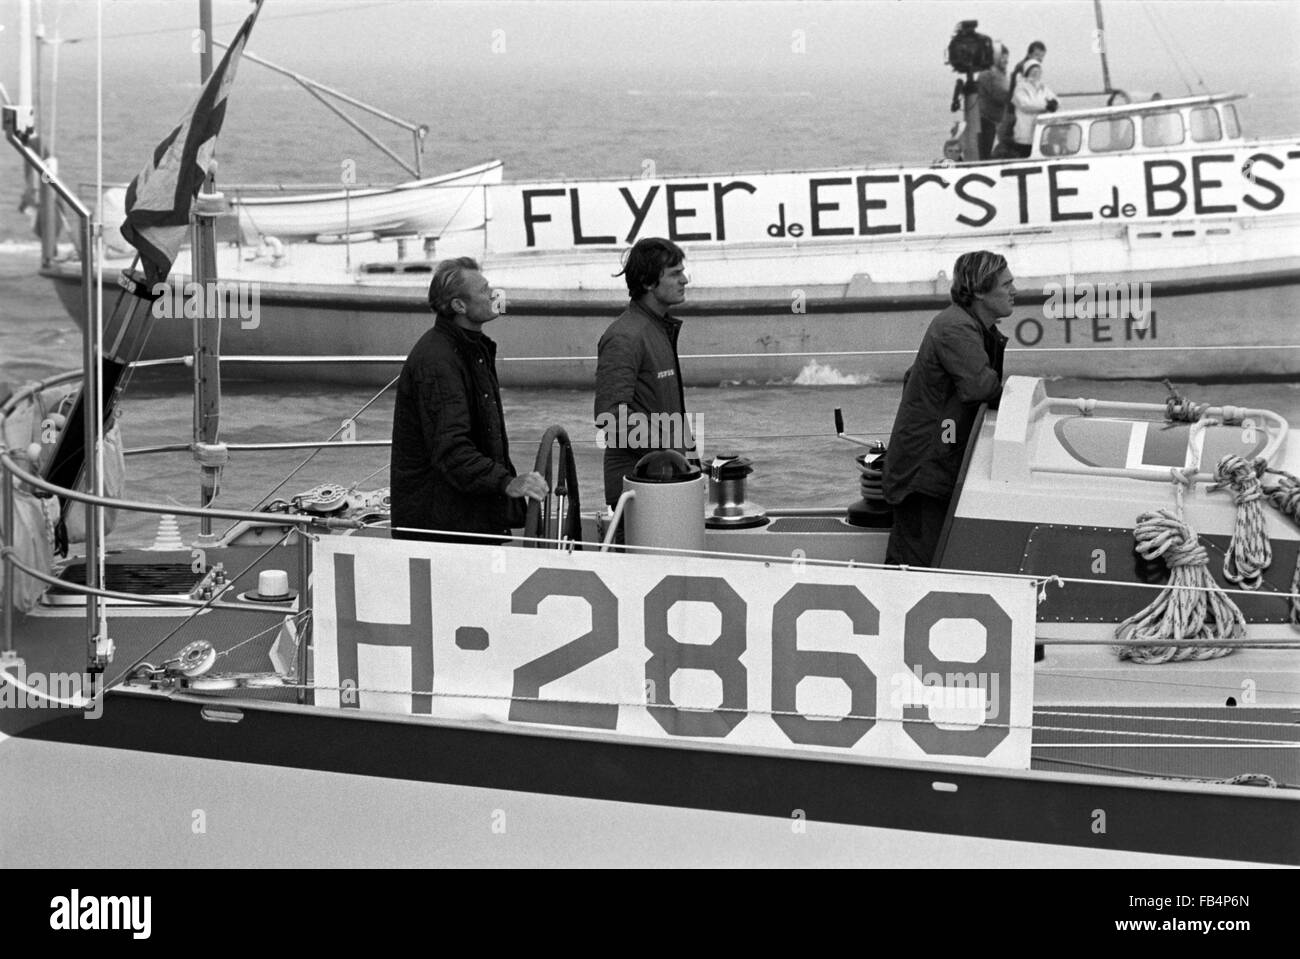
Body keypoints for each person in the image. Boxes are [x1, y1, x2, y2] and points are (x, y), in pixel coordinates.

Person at [390, 257, 548, 544]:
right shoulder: (438, 360)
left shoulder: (472, 348)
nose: (494, 295)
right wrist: (507, 482)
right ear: (459, 306)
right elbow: (451, 449)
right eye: (484, 290)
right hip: (442, 528)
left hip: (468, 517)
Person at [881, 251, 1013, 567]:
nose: (1014, 290)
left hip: (936, 465)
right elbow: (980, 387)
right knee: (914, 568)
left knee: (926, 562)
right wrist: (1019, 396)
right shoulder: (956, 328)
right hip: (924, 473)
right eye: (1006, 284)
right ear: (980, 290)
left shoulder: (971, 326)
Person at [594, 237, 698, 512]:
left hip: (664, 482)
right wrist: (672, 460)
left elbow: (669, 411)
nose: (684, 280)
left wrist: (690, 465)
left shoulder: (656, 330)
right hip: (639, 489)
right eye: (675, 274)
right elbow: (611, 417)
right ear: (649, 282)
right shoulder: (625, 337)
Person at [994, 41, 1046, 158]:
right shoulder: (1024, 68)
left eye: (1042, 56)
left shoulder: (1026, 67)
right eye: (1037, 55)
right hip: (1015, 111)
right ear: (1029, 54)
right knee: (1014, 140)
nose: (1040, 59)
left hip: (1018, 110)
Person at [1010, 59, 1058, 158]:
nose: (1036, 73)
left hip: (1042, 135)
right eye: (1033, 71)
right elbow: (1025, 104)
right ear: (1027, 72)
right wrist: (1045, 106)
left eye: (1038, 71)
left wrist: (1054, 104)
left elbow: (1055, 100)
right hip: (1024, 136)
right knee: (1025, 159)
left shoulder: (1043, 87)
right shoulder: (1020, 88)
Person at [976, 42, 1011, 160]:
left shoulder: (1000, 74)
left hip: (995, 120)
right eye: (1003, 59)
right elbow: (999, 95)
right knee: (984, 153)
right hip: (986, 120)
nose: (1005, 62)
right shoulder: (987, 74)